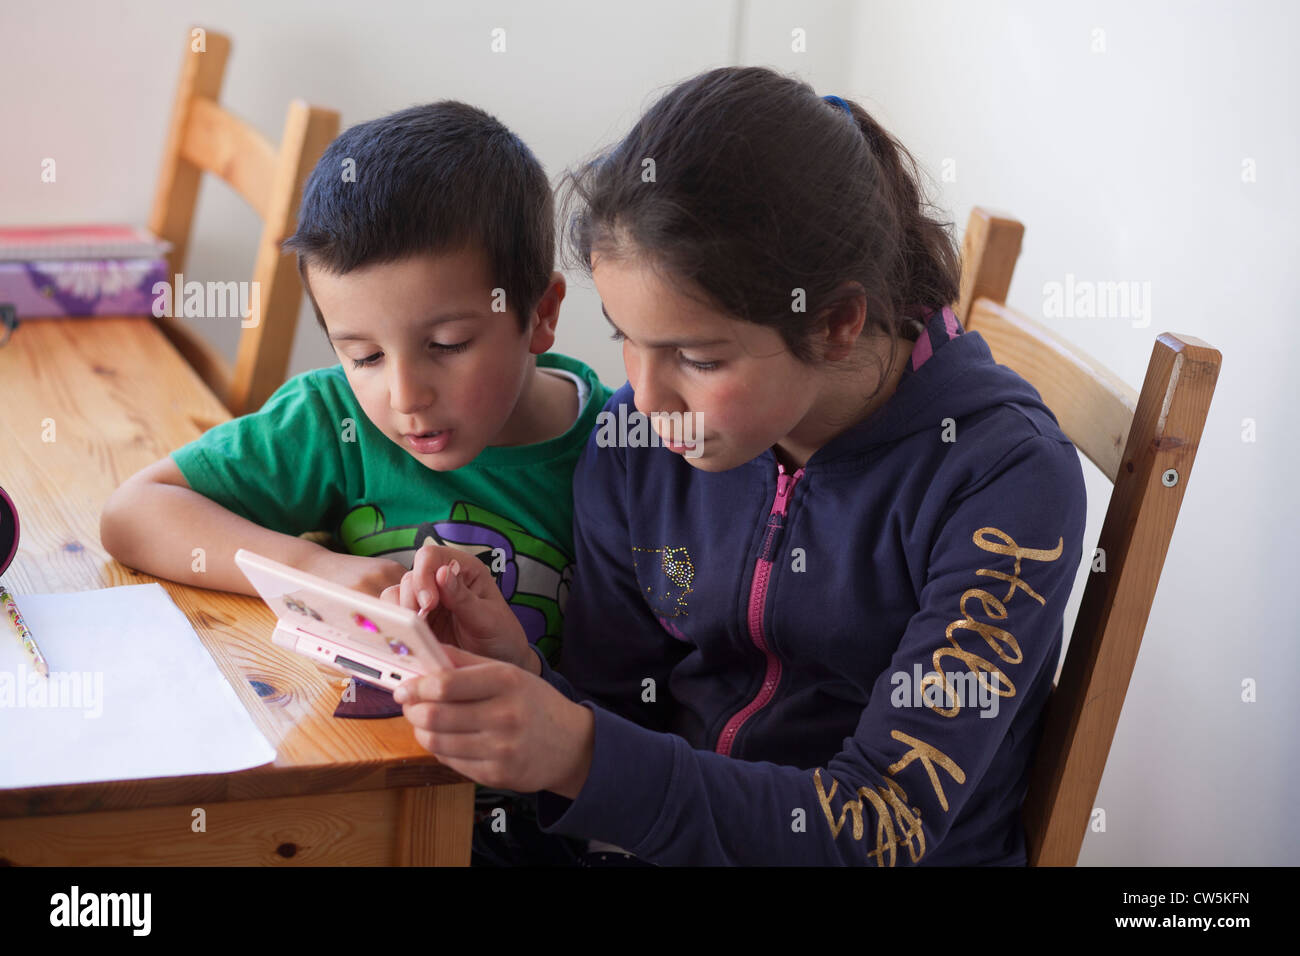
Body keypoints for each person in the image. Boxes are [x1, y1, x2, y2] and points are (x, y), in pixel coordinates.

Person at [384, 67, 1088, 866]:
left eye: (695, 356)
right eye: (625, 336)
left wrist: (578, 752)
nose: (644, 401)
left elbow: (880, 826)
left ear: (836, 325)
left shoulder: (1004, 478)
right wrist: (523, 674)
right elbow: (624, 716)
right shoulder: (638, 438)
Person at [99, 101, 611, 865]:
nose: (405, 396)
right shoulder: (335, 421)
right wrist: (322, 570)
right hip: (356, 794)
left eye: (447, 344)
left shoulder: (618, 453)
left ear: (539, 314)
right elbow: (134, 513)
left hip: (545, 824)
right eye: (363, 354)